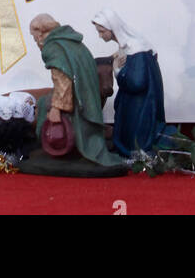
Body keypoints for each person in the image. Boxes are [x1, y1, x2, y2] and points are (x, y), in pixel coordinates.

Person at [29, 13, 126, 168]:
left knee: (43, 104)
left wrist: (56, 108)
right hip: (86, 94)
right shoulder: (70, 41)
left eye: (34, 38)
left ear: (41, 33)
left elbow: (63, 79)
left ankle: (51, 147)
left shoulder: (53, 48)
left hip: (76, 98)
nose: (36, 42)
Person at [92, 8, 167, 155]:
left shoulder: (137, 48)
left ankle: (137, 154)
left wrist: (118, 71)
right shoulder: (126, 47)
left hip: (140, 105)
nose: (100, 36)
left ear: (112, 29)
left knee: (137, 136)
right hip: (133, 102)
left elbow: (137, 82)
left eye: (101, 31)